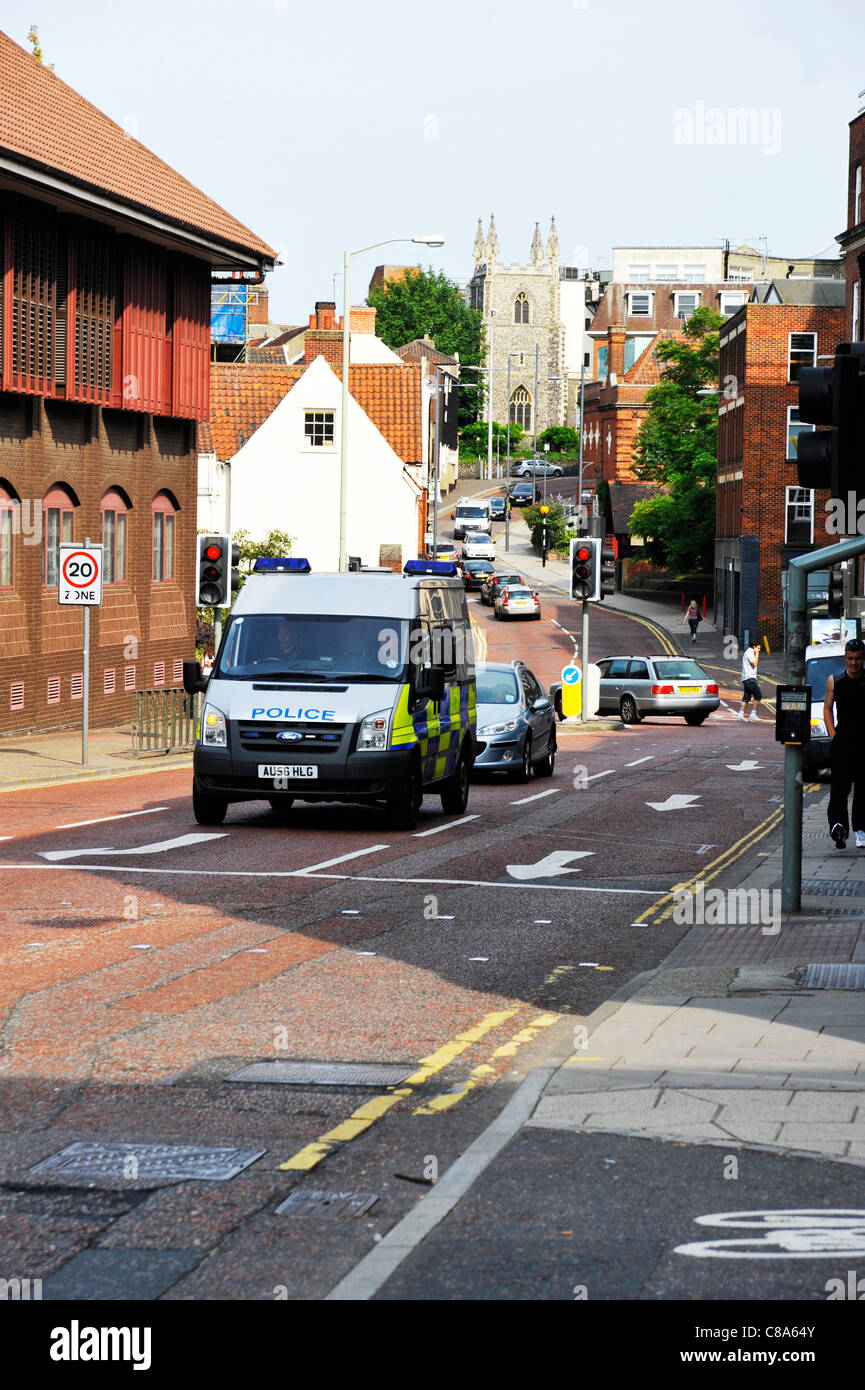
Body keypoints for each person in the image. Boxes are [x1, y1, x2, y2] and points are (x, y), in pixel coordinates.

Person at [824, 637, 865, 850]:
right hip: (843, 743)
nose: (853, 663)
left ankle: (861, 829)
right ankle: (839, 827)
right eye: (850, 658)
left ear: (863, 658)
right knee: (839, 788)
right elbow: (827, 708)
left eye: (857, 659)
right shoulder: (835, 680)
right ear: (845, 657)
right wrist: (833, 735)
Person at [738, 642, 764, 722]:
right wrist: (757, 654)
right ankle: (753, 714)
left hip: (747, 678)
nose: (759, 650)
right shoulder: (750, 652)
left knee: (747, 697)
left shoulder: (748, 652)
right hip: (749, 678)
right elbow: (755, 663)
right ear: (754, 647)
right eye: (758, 648)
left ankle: (740, 715)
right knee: (758, 695)